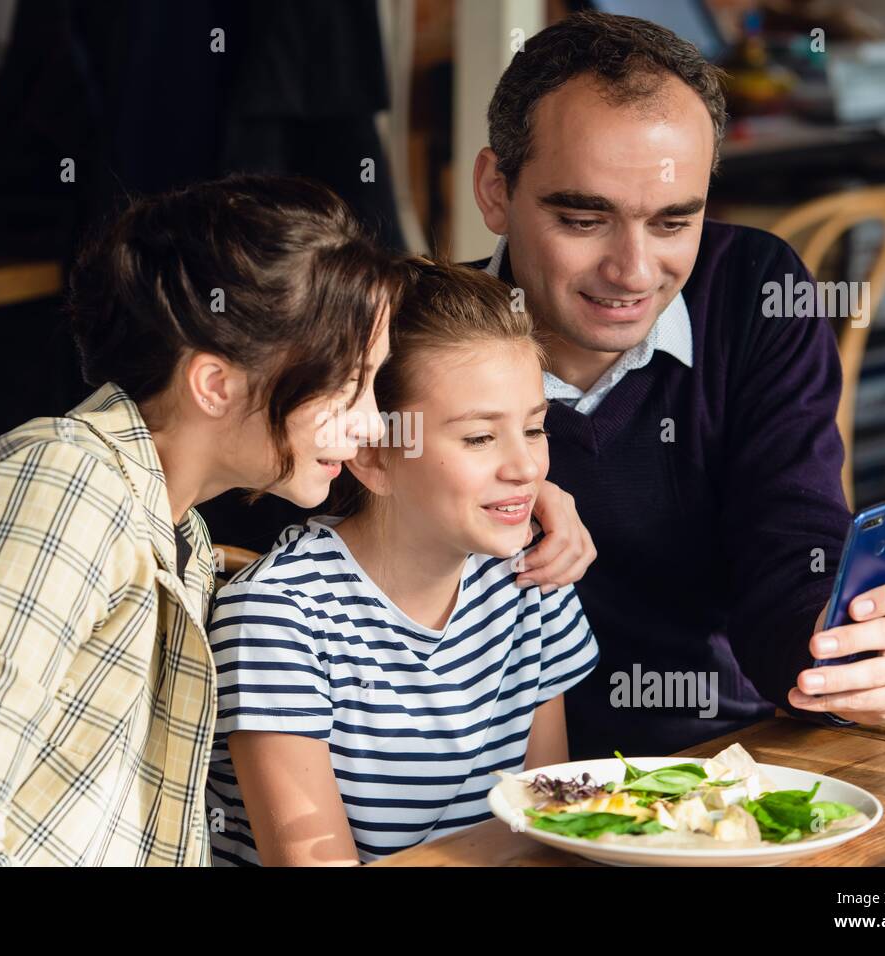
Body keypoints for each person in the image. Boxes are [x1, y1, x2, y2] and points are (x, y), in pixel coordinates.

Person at [0, 175, 401, 866]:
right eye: (347, 384)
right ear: (214, 384)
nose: (372, 422)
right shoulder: (61, 491)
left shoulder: (176, 532)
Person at [469, 11, 885, 756]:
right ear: (496, 191)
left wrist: (839, 648)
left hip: (722, 758)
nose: (632, 272)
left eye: (672, 222)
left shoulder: (754, 290)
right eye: (585, 220)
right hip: (473, 794)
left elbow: (790, 540)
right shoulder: (412, 340)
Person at [206, 261, 598, 865]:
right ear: (372, 454)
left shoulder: (531, 578)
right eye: (478, 438)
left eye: (535, 428)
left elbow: (555, 827)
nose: (525, 467)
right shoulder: (277, 618)